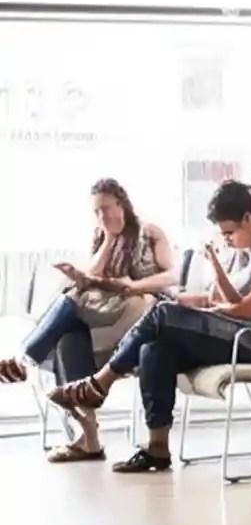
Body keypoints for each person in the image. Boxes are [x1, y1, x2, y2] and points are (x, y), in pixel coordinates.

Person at [46, 179, 251, 473]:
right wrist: (217, 270)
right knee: (156, 349)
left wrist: (212, 310)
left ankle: (100, 382)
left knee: (162, 313)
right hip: (244, 335)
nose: (228, 239)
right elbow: (233, 299)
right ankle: (157, 447)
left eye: (231, 232)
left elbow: (249, 310)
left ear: (249, 218)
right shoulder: (250, 252)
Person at [0, 178, 179, 463]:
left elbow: (172, 276)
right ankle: (88, 438)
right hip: (107, 320)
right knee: (68, 341)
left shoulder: (149, 232)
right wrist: (108, 241)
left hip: (143, 310)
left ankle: (23, 361)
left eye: (106, 209)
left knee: (71, 298)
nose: (102, 217)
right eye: (96, 212)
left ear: (122, 203)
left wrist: (134, 285)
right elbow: (88, 279)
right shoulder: (101, 236)